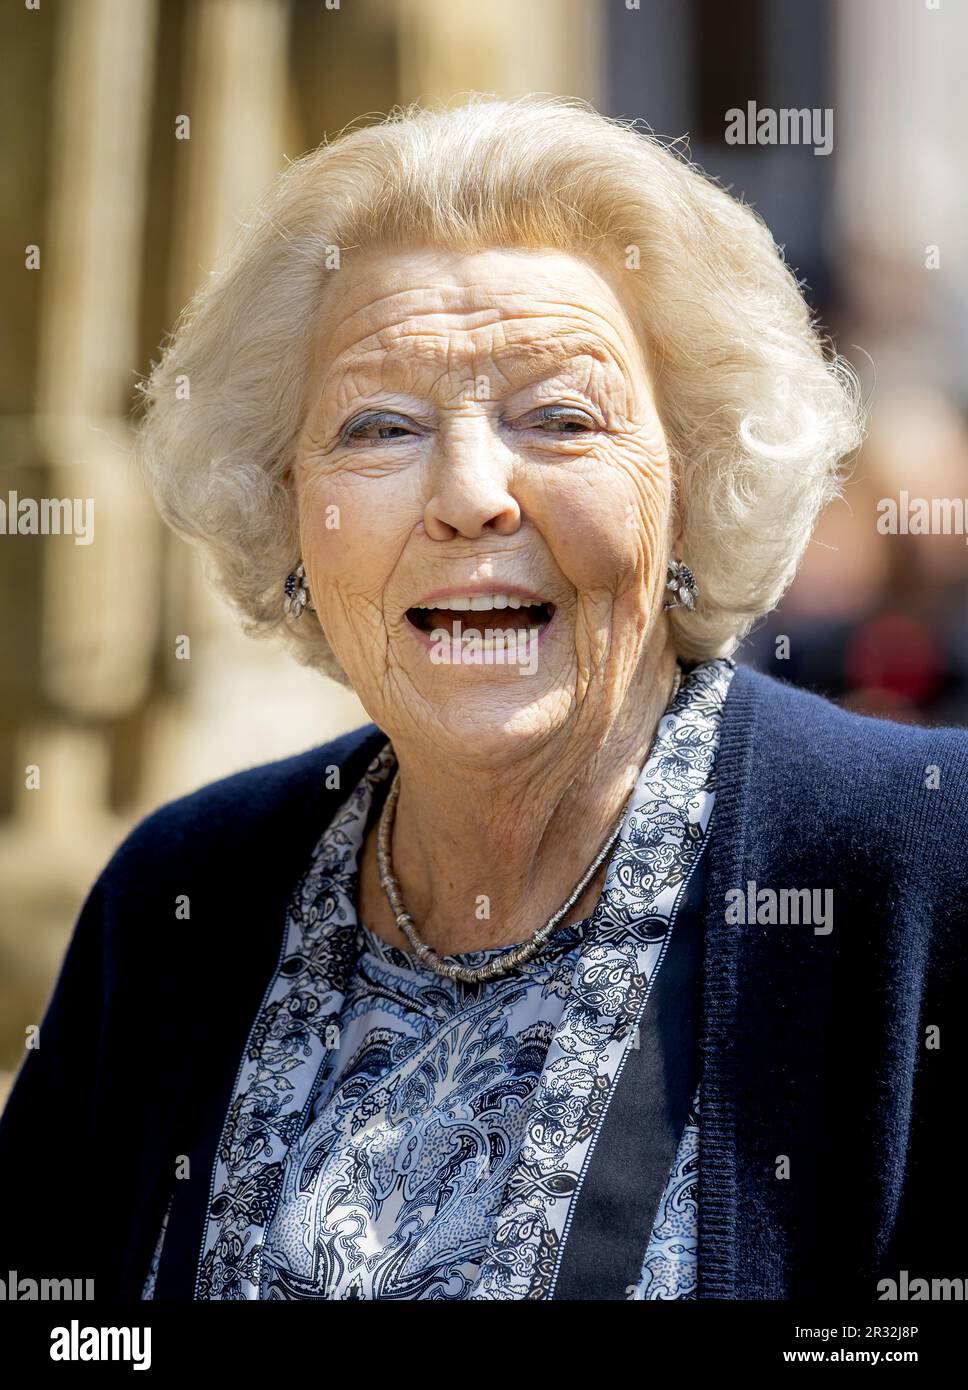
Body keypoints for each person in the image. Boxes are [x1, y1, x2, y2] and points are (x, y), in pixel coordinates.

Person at [1, 95, 965, 1302]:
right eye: (380, 426)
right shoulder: (179, 892)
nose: (468, 495)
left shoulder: (920, 862)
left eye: (558, 418)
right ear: (289, 514)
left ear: (693, 486)